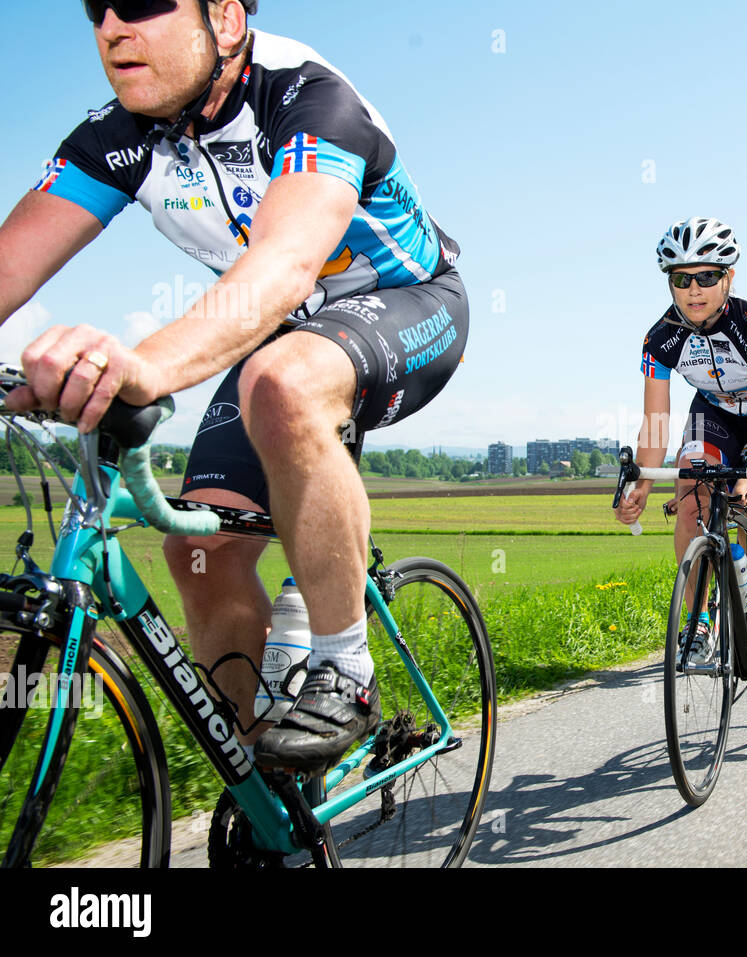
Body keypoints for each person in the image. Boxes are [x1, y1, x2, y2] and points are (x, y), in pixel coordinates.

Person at [0, 0, 467, 773]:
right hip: (280, 330)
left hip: (409, 301)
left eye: (145, 1)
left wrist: (140, 365)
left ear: (223, 17)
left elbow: (283, 270)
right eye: (95, 7)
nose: (113, 27)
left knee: (281, 378)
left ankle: (345, 668)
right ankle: (267, 786)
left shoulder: (309, 98)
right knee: (201, 550)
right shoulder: (117, 137)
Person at [614, 218, 747, 679]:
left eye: (706, 276)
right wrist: (642, 483)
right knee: (690, 494)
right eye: (681, 279)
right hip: (715, 414)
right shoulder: (660, 339)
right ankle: (698, 623)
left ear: (729, 277)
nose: (693, 289)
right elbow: (656, 421)